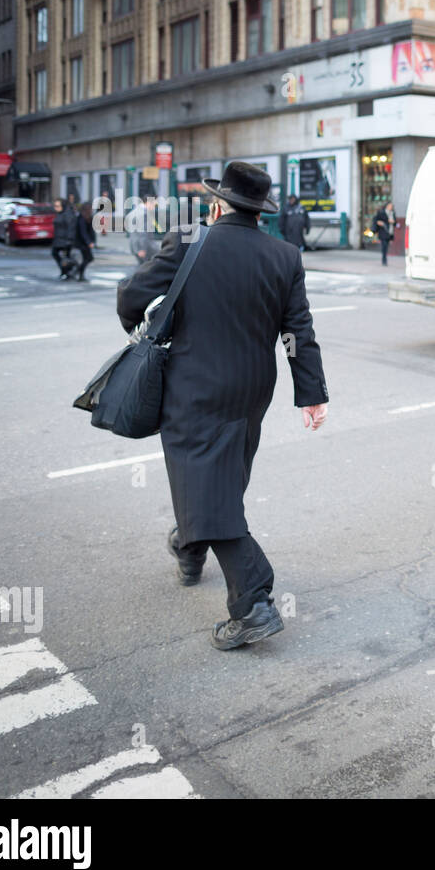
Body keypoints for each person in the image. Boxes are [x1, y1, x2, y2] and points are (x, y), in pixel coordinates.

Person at [116, 162, 329, 651]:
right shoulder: (284, 255)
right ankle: (189, 550)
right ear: (258, 211)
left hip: (194, 385)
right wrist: (312, 393)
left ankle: (253, 603)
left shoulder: (192, 239)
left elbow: (132, 299)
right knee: (219, 476)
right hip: (253, 388)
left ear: (217, 204)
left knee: (205, 479)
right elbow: (297, 332)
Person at [50, 198, 79, 281]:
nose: (56, 208)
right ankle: (65, 272)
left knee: (66, 258)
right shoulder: (59, 214)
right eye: (55, 206)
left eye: (57, 206)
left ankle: (68, 272)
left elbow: (71, 228)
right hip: (58, 240)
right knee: (57, 255)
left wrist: (69, 240)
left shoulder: (68, 214)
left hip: (65, 241)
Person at [73, 200, 96, 281]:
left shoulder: (89, 217)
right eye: (91, 208)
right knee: (88, 258)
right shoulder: (82, 219)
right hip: (82, 243)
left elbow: (91, 231)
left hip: (85, 242)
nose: (92, 210)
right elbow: (83, 232)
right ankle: (79, 273)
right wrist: (89, 242)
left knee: (88, 258)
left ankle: (79, 273)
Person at [374, 201, 395, 266]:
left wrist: (393, 222)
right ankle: (384, 259)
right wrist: (381, 222)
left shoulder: (393, 213)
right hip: (383, 232)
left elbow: (395, 222)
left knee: (386, 246)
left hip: (390, 232)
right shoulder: (382, 212)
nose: (391, 207)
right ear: (387, 206)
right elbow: (376, 220)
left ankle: (384, 258)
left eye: (392, 206)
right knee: (384, 245)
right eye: (390, 206)